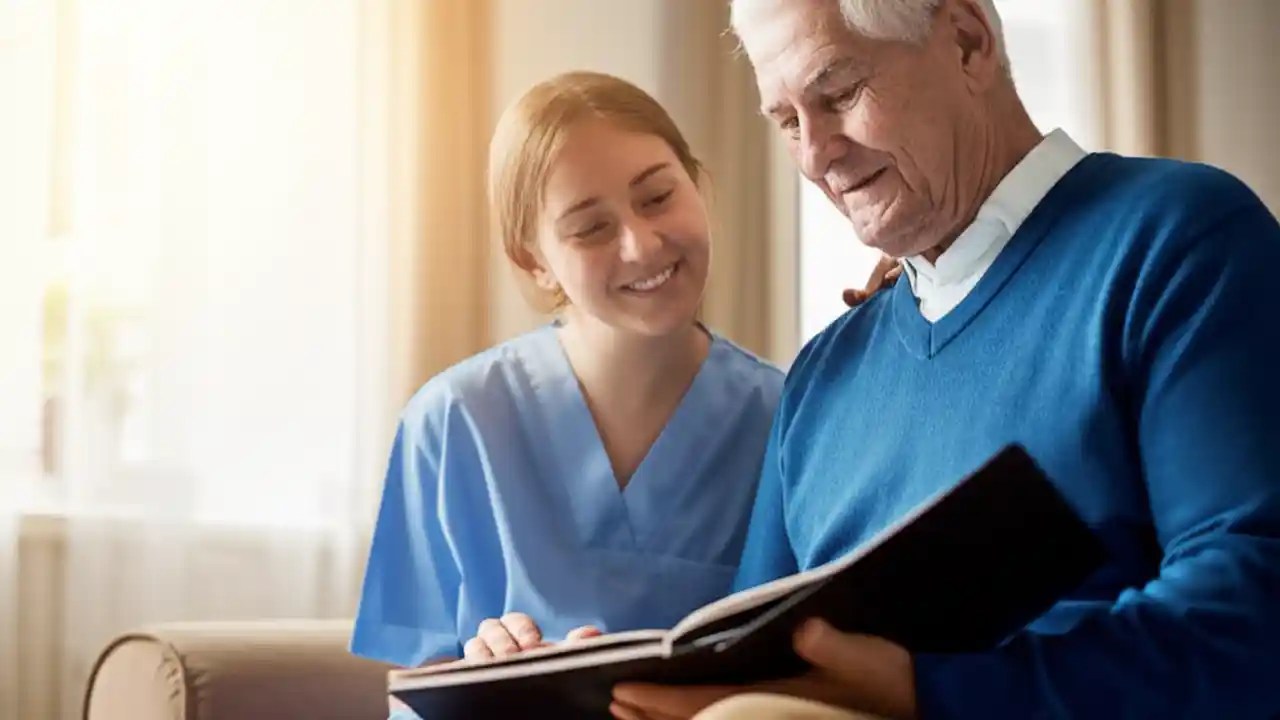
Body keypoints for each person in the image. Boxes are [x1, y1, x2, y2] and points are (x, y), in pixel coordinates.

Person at [611, 1, 1280, 719]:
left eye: (839, 94)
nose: (813, 156)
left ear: (967, 41)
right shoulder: (822, 377)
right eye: (788, 122)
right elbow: (738, 667)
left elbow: (1254, 611)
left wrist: (926, 691)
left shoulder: (1178, 240)